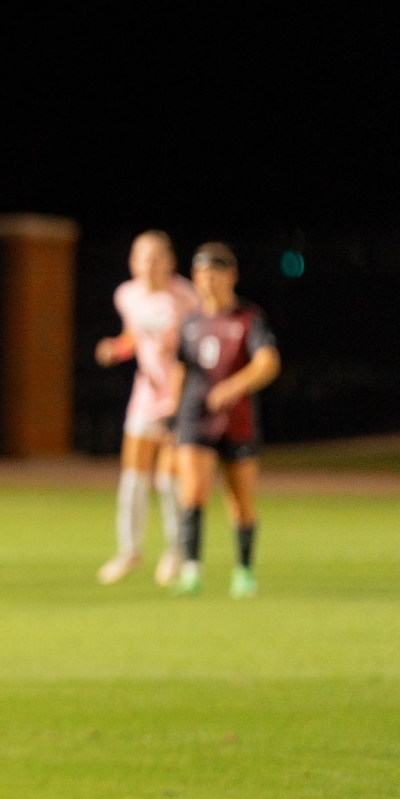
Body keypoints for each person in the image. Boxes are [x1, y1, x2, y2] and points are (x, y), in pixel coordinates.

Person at [167, 242, 280, 598]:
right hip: (194, 417)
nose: (207, 280)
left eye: (215, 272)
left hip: (237, 419)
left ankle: (244, 570)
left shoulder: (248, 318)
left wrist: (234, 386)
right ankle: (191, 571)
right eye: (200, 273)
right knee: (193, 492)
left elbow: (267, 363)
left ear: (231, 275)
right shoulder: (190, 323)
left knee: (240, 501)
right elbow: (180, 371)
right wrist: (173, 416)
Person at [94, 231, 200, 585]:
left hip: (178, 395)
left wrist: (181, 353)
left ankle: (175, 551)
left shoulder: (186, 296)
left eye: (156, 258)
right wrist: (116, 349)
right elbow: (134, 337)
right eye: (142, 257)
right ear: (132, 262)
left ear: (170, 261)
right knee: (132, 481)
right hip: (145, 393)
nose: (149, 265)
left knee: (168, 482)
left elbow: (198, 344)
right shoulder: (127, 295)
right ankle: (129, 552)